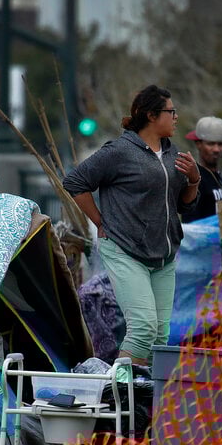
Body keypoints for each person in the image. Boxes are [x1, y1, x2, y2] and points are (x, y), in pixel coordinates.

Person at [62, 85, 200, 366]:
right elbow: (75, 182)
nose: (176, 117)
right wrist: (99, 221)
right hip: (125, 249)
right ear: (151, 115)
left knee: (159, 337)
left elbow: (184, 206)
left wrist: (195, 180)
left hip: (163, 256)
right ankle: (119, 388)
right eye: (171, 111)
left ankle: (145, 392)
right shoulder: (119, 151)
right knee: (143, 329)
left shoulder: (173, 154)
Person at [180, 116, 222, 223]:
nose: (216, 149)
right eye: (210, 144)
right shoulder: (194, 179)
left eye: (220, 144)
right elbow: (190, 225)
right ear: (198, 144)